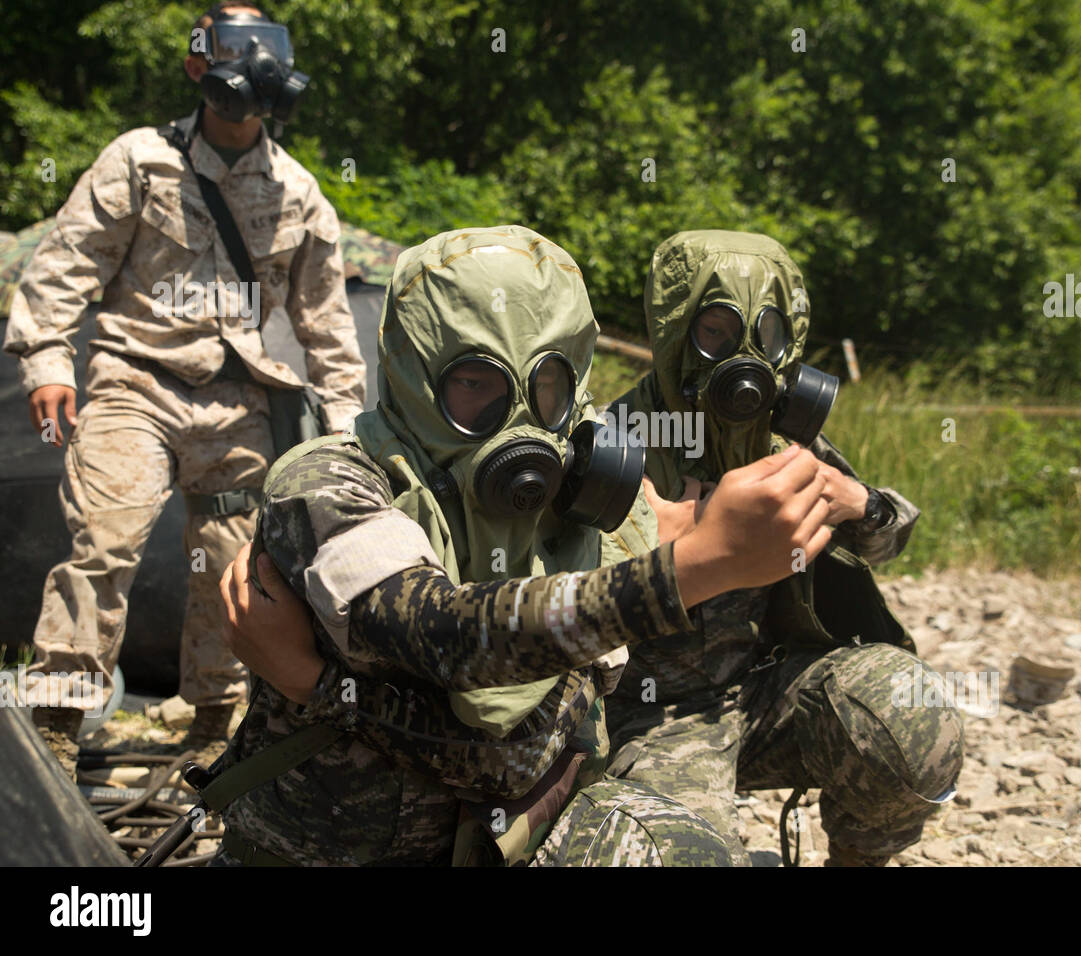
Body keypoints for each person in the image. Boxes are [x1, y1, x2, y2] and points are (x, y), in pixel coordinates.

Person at [210, 225, 836, 866]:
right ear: (414, 376)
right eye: (475, 383)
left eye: (547, 384)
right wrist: (696, 568)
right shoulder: (328, 486)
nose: (518, 419)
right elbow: (446, 637)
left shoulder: (585, 500)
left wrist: (312, 681)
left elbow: (518, 758)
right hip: (321, 856)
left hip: (498, 845)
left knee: (691, 853)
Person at [4, 2, 366, 777]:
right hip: (136, 381)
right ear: (199, 65)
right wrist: (46, 363)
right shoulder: (140, 161)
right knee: (105, 539)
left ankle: (215, 726)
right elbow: (66, 264)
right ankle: (58, 726)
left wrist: (344, 430)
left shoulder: (298, 192)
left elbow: (328, 323)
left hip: (237, 405)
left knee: (234, 567)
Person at [597, 230, 963, 866]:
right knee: (683, 853)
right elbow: (552, 600)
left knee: (908, 712)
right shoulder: (615, 444)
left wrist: (864, 505)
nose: (743, 356)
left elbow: (887, 540)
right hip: (655, 715)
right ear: (675, 332)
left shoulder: (779, 437)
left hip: (765, 694)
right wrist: (656, 548)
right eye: (715, 331)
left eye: (765, 335)